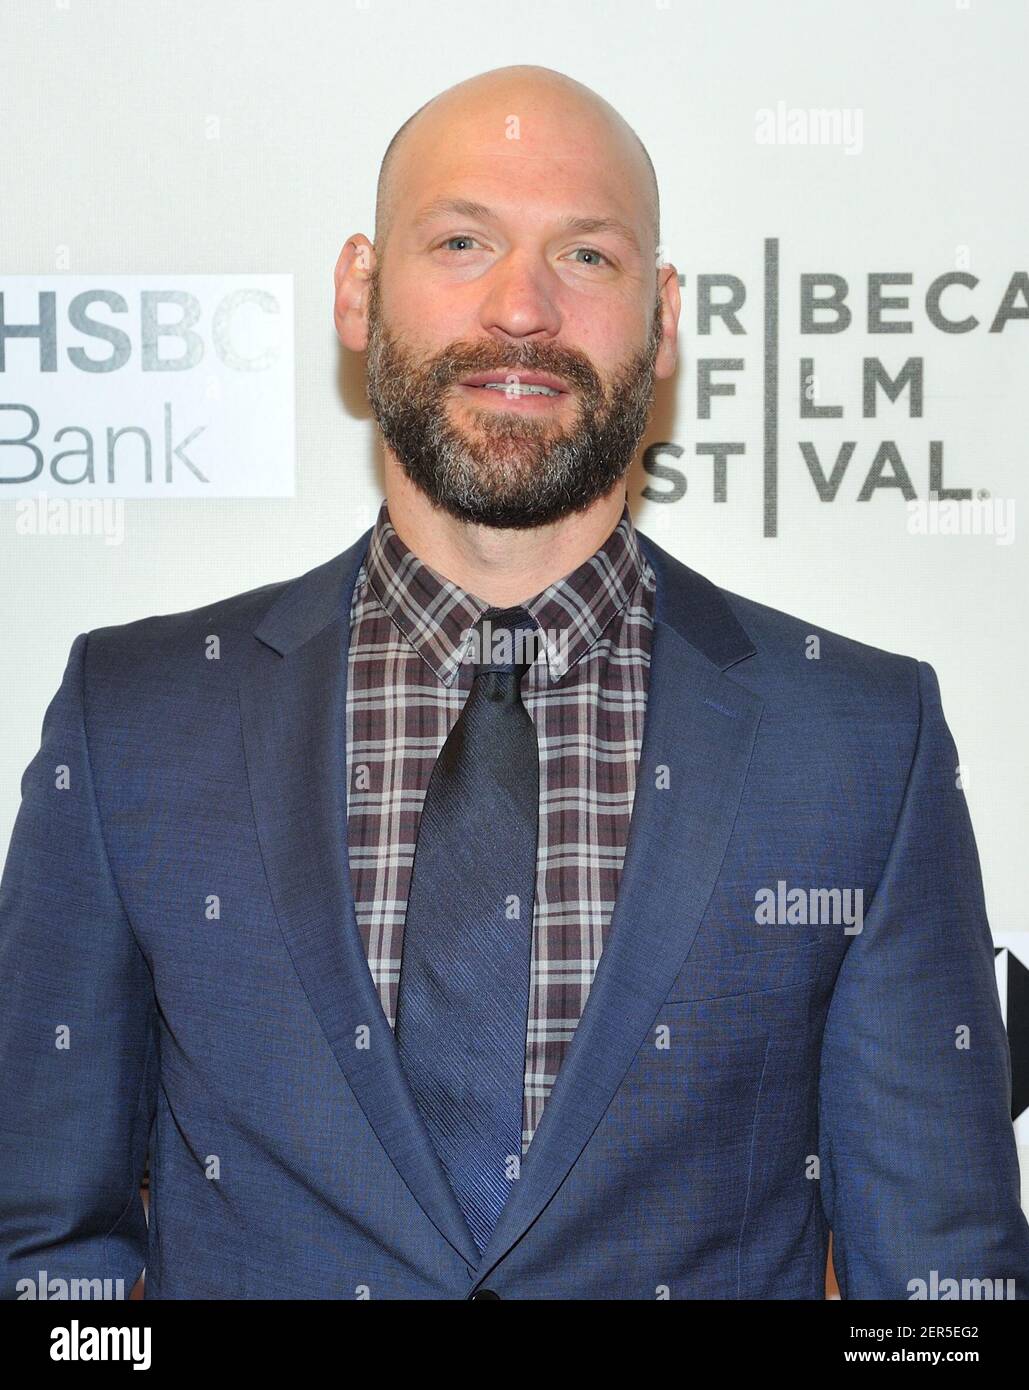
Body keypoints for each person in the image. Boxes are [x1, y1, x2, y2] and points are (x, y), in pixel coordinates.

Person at [1, 64, 1026, 1301]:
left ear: (664, 319)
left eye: (587, 257)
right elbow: (44, 1250)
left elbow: (941, 1284)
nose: (522, 306)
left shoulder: (862, 738)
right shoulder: (139, 717)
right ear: (358, 291)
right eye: (461, 239)